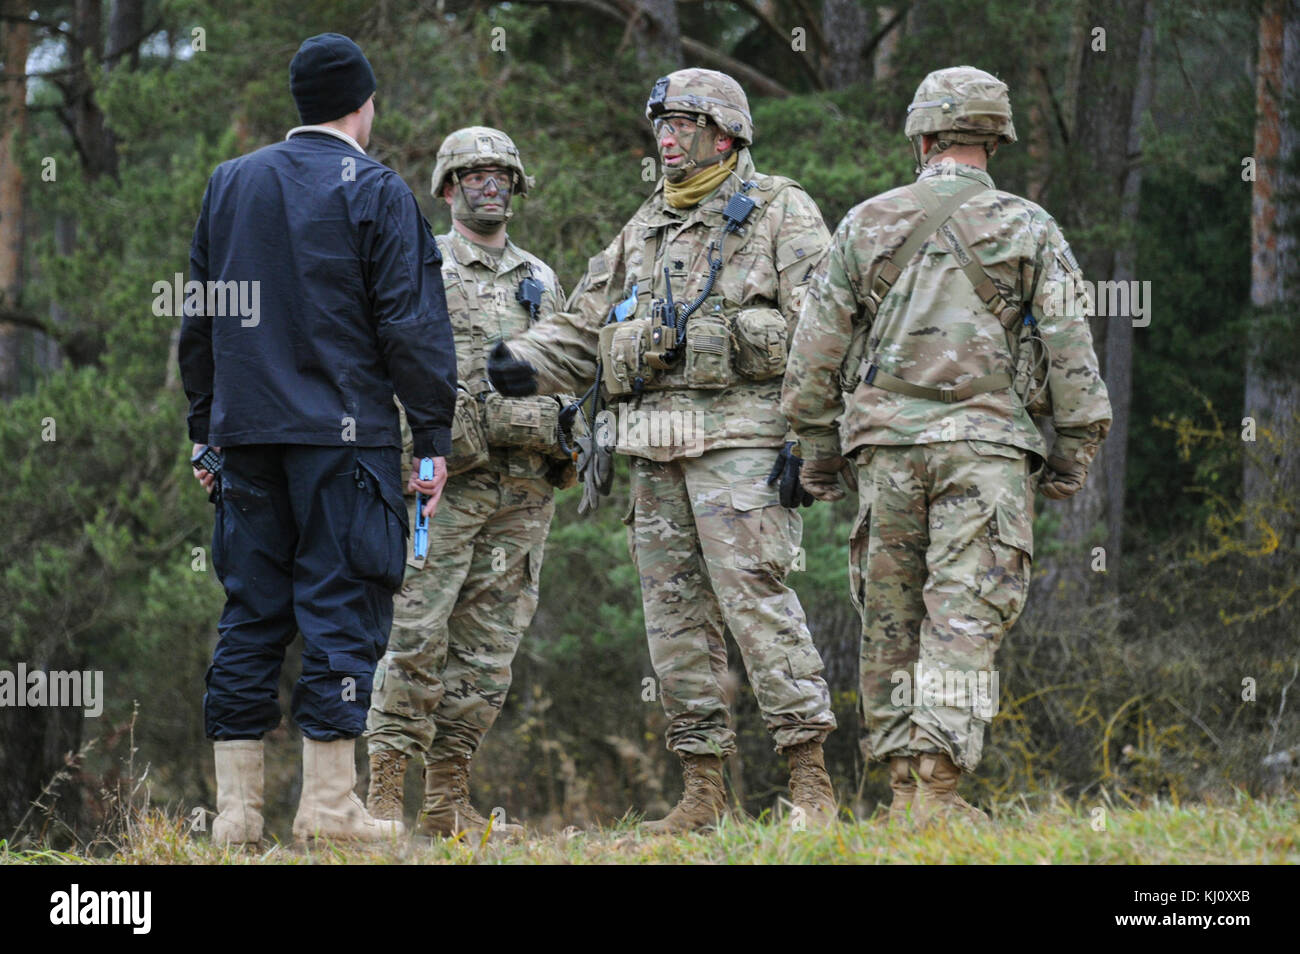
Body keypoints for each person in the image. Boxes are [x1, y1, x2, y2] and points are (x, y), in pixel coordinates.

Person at [489, 68, 839, 831]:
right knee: (674, 625)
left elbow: (823, 331)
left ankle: (810, 783)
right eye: (661, 126)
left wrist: (810, 437)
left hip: (745, 446)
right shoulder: (646, 224)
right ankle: (703, 793)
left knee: (759, 609)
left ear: (727, 133)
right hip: (657, 454)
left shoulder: (782, 210)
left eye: (684, 124)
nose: (668, 139)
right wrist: (525, 359)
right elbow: (583, 327)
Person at [781, 65, 1112, 825]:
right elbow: (1071, 352)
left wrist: (821, 454)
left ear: (922, 136)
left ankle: (902, 789)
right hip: (988, 452)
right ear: (994, 140)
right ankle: (936, 791)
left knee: (891, 620)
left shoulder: (865, 223)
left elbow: (813, 361)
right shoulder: (1030, 227)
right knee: (963, 616)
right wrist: (1073, 454)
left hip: (888, 453)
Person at [179, 33, 458, 846]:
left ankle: (235, 819)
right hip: (346, 443)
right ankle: (330, 811)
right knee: (342, 609)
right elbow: (411, 328)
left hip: (247, 436)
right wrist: (433, 439)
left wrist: (206, 436)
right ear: (362, 105)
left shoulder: (230, 185)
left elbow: (200, 324)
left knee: (251, 613)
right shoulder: (375, 189)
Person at [364, 127, 574, 840]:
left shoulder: (541, 278)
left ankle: (447, 799)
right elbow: (386, 363)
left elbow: (571, 368)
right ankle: (384, 795)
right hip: (441, 485)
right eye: (473, 175)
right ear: (448, 188)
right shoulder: (421, 264)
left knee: (488, 648)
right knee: (417, 633)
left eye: (502, 175)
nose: (490, 185)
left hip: (524, 488)